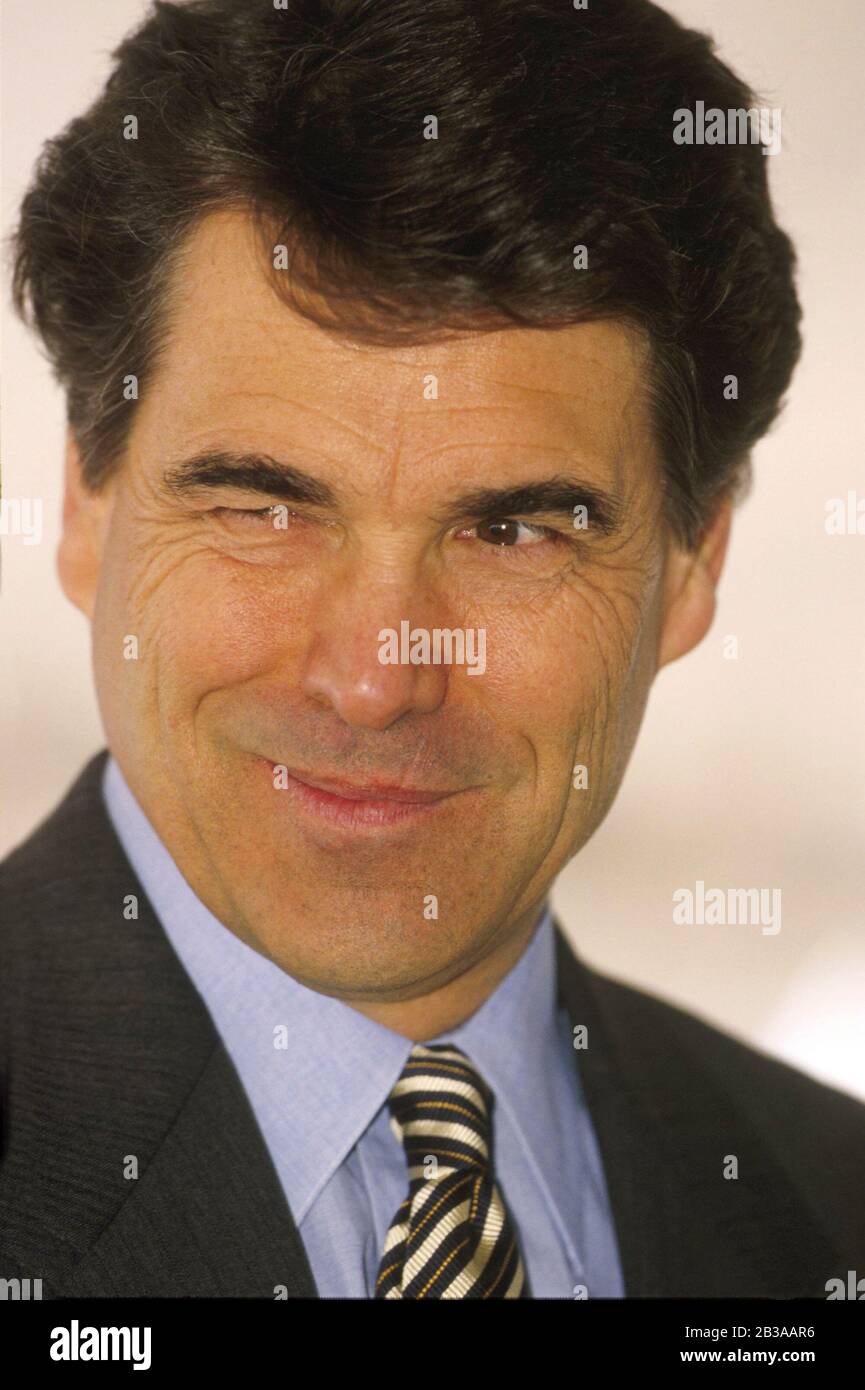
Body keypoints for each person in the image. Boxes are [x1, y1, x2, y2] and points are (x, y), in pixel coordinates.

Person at [1, 0, 862, 1299]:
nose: (375, 675)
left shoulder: (830, 1200)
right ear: (85, 508)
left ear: (691, 570)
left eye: (510, 530)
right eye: (264, 508)